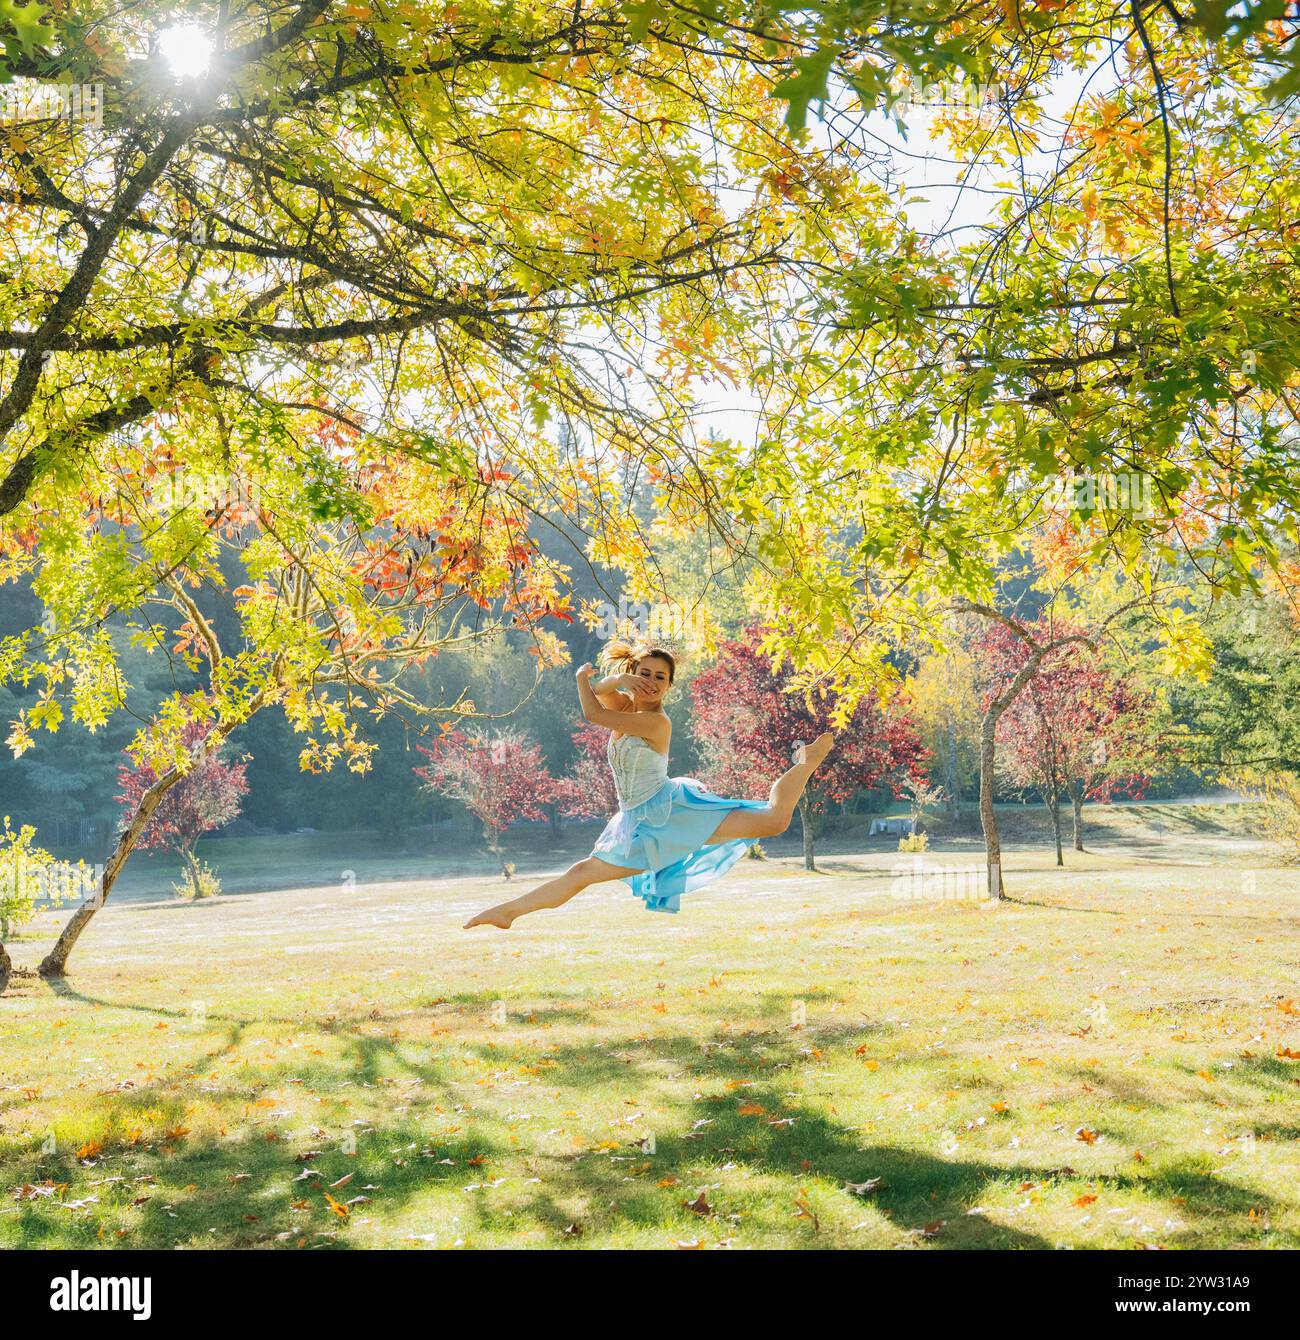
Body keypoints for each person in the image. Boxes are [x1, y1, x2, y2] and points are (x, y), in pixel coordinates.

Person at [463, 639, 833, 929]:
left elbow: (592, 710)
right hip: (634, 819)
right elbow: (604, 689)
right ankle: (507, 913)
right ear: (633, 674)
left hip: (671, 810)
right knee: (581, 874)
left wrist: (580, 678)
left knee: (774, 820)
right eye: (645, 673)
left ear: (669, 686)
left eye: (660, 677)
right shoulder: (625, 708)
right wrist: (619, 679)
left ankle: (805, 763)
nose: (652, 682)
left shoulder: (657, 724)